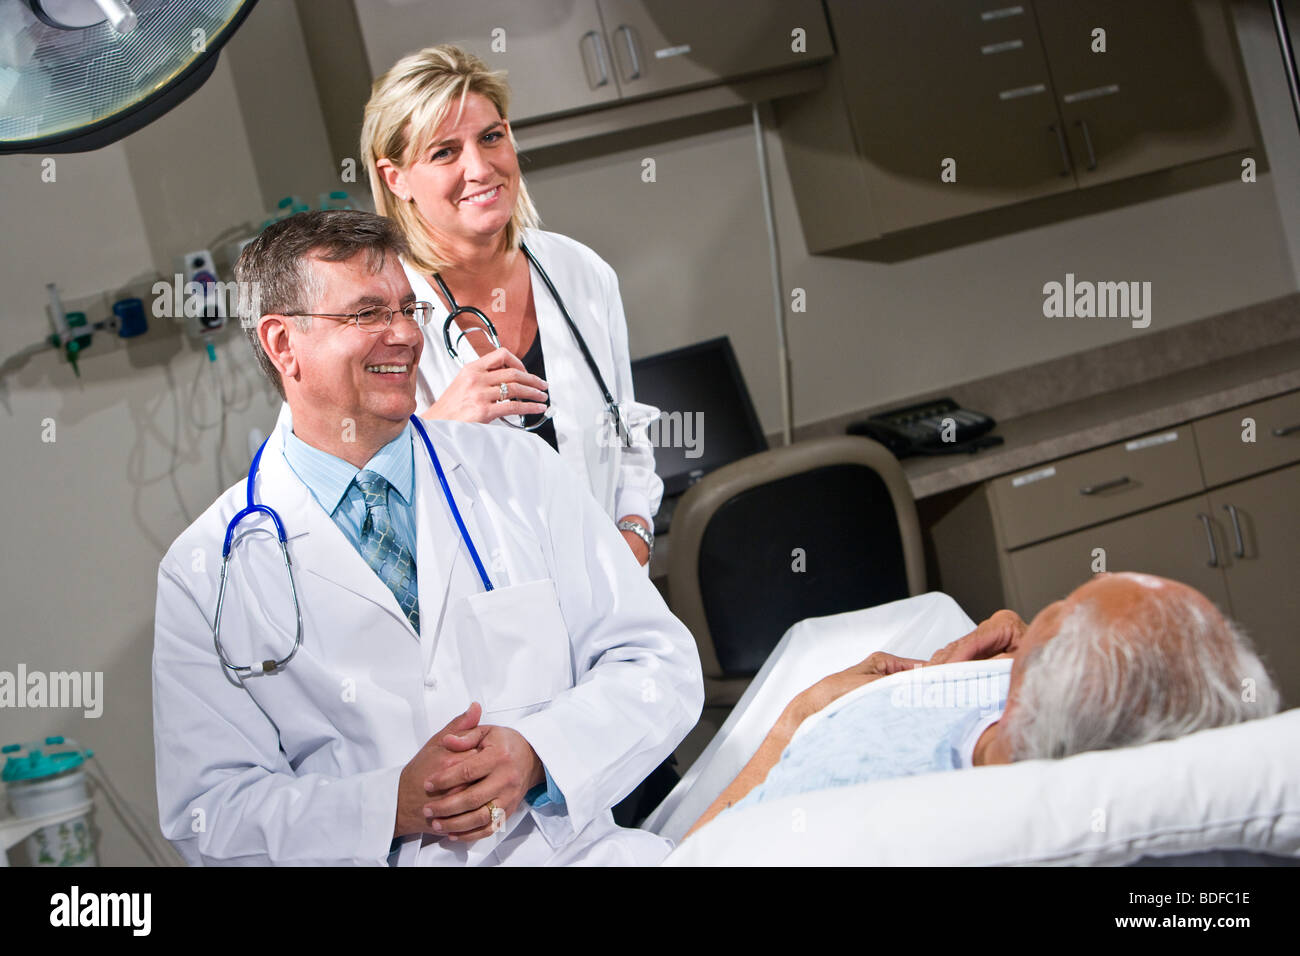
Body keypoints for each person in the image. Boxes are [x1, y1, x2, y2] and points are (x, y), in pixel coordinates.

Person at [152, 210, 703, 865]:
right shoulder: (204, 570)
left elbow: (659, 667)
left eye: (407, 308)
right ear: (282, 343)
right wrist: (389, 804)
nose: (404, 336)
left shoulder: (518, 470)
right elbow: (207, 814)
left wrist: (538, 754)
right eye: (365, 314)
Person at [685, 572, 1279, 838]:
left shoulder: (843, 805)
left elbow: (698, 860)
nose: (1042, 611)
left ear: (1024, 699)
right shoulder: (1077, 717)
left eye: (1065, 609)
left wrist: (795, 722)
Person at [360, 43, 661, 567]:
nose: (480, 168)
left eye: (491, 137)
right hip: (491, 620)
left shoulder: (580, 272)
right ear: (396, 178)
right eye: (444, 152)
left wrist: (635, 530)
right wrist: (437, 430)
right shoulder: (372, 317)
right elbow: (355, 508)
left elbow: (625, 428)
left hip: (616, 599)